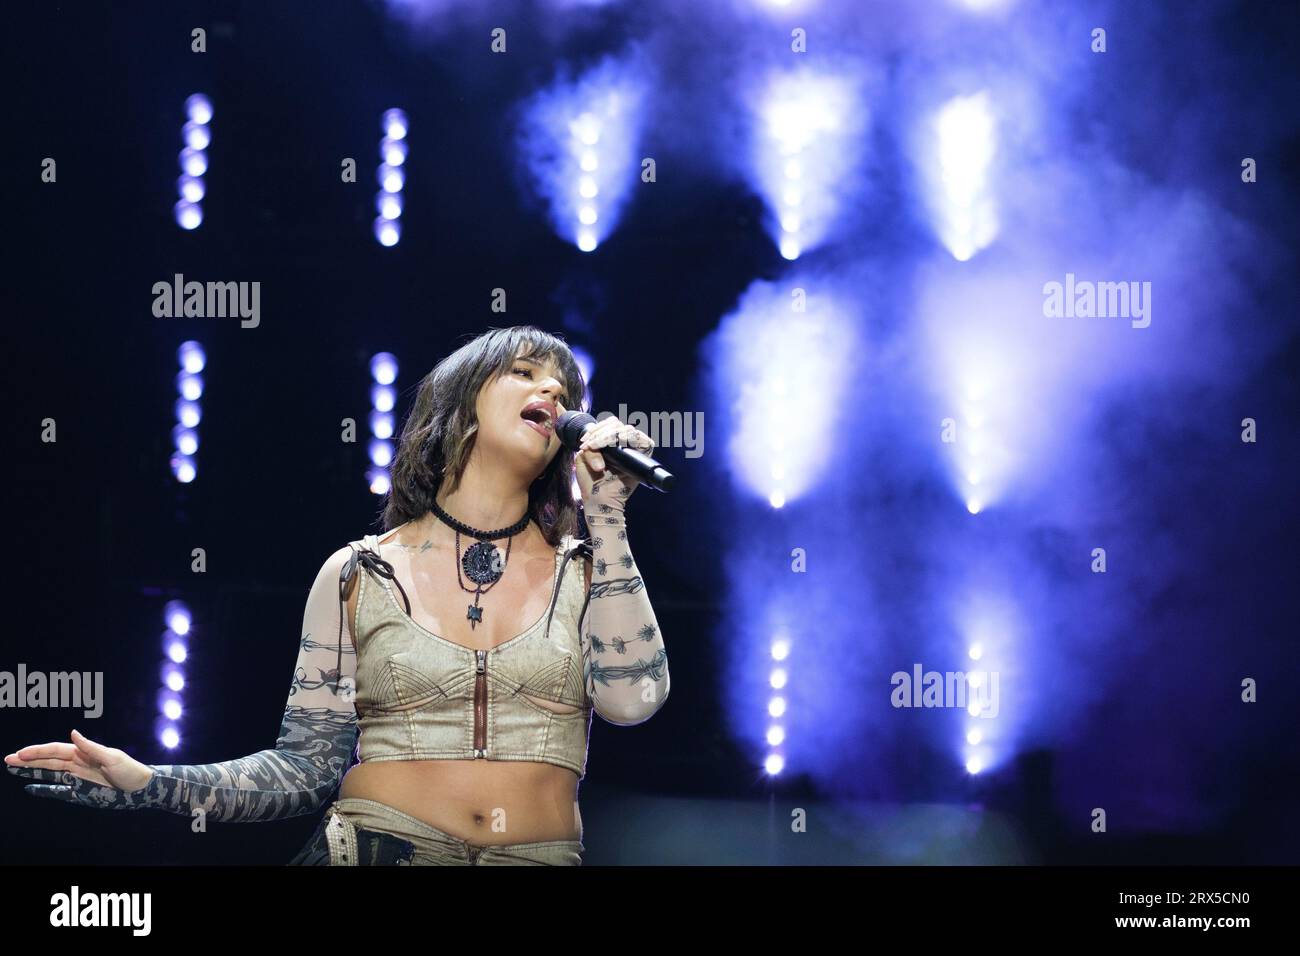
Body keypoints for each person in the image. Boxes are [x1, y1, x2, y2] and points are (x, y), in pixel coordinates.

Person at [5, 325, 670, 865]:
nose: (553, 387)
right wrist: (150, 782)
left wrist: (606, 514)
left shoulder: (587, 573)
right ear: (461, 404)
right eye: (525, 371)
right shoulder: (358, 574)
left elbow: (632, 702)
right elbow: (304, 768)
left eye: (565, 385)